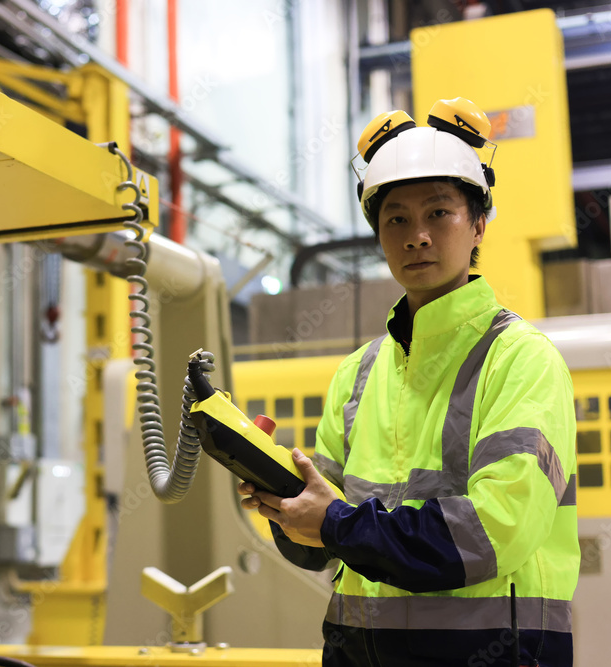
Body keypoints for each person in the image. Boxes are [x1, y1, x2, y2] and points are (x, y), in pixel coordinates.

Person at [238, 98, 580, 666]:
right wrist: (280, 500)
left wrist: (335, 523)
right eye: (396, 218)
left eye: (439, 213)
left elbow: (494, 532)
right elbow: (319, 548)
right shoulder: (356, 375)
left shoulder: (521, 360)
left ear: (477, 224)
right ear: (378, 234)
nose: (416, 235)